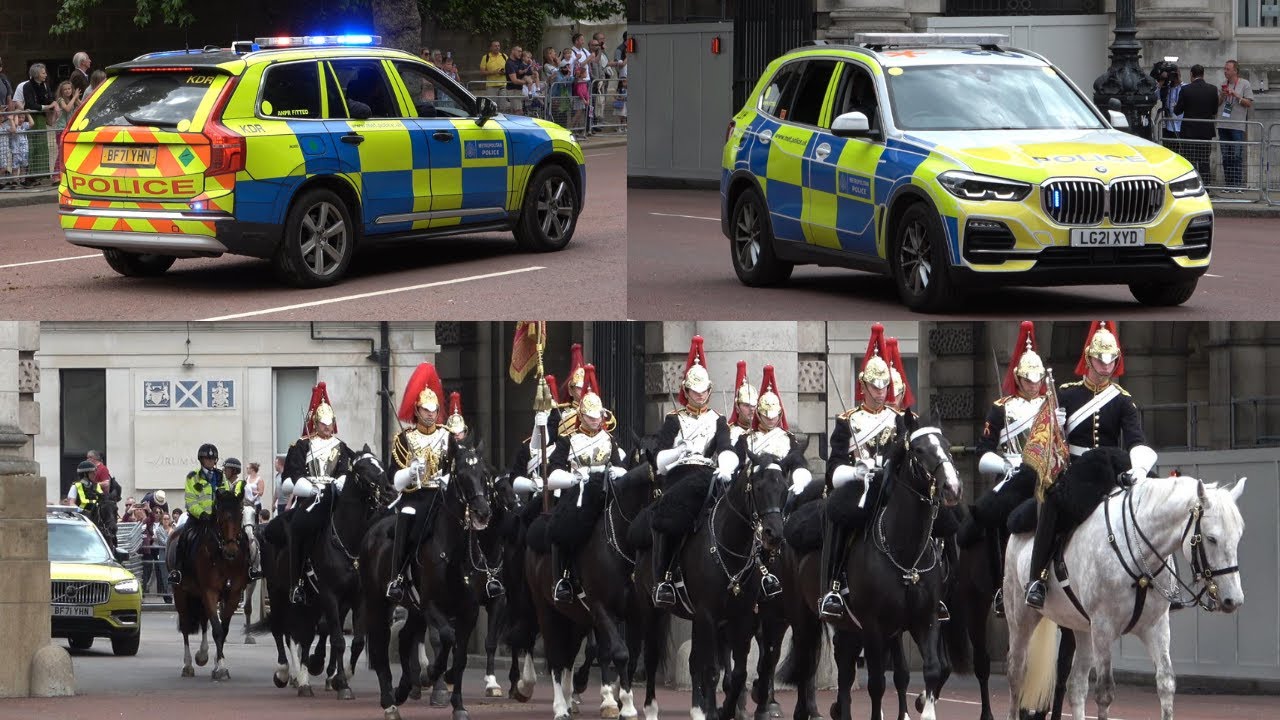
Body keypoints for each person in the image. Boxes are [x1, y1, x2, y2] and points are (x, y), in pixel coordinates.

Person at [1024, 321, 1156, 609]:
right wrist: (1054, 424)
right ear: (1089, 358)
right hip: (1077, 469)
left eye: (1111, 361)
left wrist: (1140, 468)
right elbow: (1046, 439)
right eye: (1101, 360)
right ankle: (1038, 578)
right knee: (1053, 501)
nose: (1106, 367)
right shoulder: (1066, 394)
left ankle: (1163, 579)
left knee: (1157, 503)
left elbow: (1135, 438)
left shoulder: (1122, 400)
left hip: (1110, 469)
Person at [820, 323, 905, 618]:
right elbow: (833, 467)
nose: (880, 392)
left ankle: (938, 585)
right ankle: (833, 585)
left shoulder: (898, 419)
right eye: (875, 387)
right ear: (864, 386)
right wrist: (854, 471)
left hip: (892, 483)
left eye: (884, 387)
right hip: (861, 486)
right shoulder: (847, 420)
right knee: (839, 515)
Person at [651, 335, 734, 607]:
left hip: (710, 477)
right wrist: (679, 451)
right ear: (686, 391)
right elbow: (659, 460)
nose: (700, 395)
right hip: (681, 477)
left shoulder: (718, 420)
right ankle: (665, 577)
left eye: (704, 391)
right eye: (695, 391)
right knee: (672, 518)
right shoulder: (674, 420)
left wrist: (725, 466)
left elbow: (726, 447)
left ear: (709, 390)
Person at [974, 321, 1047, 616]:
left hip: (1043, 476)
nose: (1034, 384)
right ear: (1018, 377)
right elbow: (983, 452)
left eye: (1038, 379)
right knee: (993, 520)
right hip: (1012, 477)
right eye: (1029, 379)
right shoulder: (1001, 408)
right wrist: (1004, 464)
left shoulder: (1051, 405)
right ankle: (1000, 588)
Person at [546, 366, 626, 604]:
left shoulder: (609, 440)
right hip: (578, 494)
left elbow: (621, 467)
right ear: (581, 416)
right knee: (564, 528)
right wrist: (572, 478)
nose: (596, 421)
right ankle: (563, 577)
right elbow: (552, 475)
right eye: (591, 417)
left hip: (605, 491)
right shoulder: (567, 440)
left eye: (598, 416)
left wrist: (618, 471)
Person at [734, 365, 809, 597]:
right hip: (755, 498)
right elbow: (737, 467)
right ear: (759, 414)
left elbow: (798, 462)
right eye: (766, 414)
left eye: (775, 414)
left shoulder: (789, 439)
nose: (771, 419)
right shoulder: (746, 438)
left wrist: (800, 477)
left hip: (782, 496)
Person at [385, 363, 452, 603]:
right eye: (426, 409)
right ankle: (397, 576)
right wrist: (411, 472)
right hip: (416, 496)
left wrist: (447, 477)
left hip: (441, 495)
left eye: (434, 410)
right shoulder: (405, 439)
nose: (431, 414)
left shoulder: (446, 435)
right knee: (407, 516)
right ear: (417, 409)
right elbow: (394, 479)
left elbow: (455, 466)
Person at [283, 383, 356, 603]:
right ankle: (296, 582)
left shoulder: (341, 446)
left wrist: (340, 483)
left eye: (330, 422)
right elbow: (293, 474)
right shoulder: (302, 445)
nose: (327, 427)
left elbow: (345, 470)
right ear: (315, 422)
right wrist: (310, 487)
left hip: (335, 497)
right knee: (298, 528)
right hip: (310, 498)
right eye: (323, 423)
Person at [167, 443, 227, 585]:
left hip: (217, 519)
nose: (210, 462)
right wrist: (202, 514)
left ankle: (244, 570)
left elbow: (225, 495)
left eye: (213, 459)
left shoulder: (220, 476)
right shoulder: (192, 477)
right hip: (198, 519)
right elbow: (191, 500)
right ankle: (177, 571)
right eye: (207, 459)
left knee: (234, 538)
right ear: (201, 460)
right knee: (183, 538)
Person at [1173, 64, 1217, 183]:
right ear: (1203, 74)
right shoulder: (1213, 89)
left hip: (1189, 131)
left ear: (1191, 74)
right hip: (1205, 132)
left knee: (1189, 160)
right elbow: (1214, 111)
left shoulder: (1185, 89)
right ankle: (1207, 186)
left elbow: (1177, 111)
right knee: (1204, 160)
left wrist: (1175, 106)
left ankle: (1191, 184)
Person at [13, 63, 54, 183]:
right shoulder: (27, 86)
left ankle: (42, 174)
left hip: (41, 118)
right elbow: (30, 104)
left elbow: (49, 99)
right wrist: (46, 107)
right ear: (36, 74)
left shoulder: (45, 85)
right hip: (31, 118)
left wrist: (51, 104)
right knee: (31, 146)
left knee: (42, 146)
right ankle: (29, 176)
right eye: (43, 73)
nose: (45, 75)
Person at [1217, 60, 1254, 193]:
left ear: (1235, 71)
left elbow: (1249, 103)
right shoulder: (1222, 84)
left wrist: (1236, 95)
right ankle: (1228, 185)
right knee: (1226, 156)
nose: (1225, 71)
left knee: (1237, 155)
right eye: (1224, 69)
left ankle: (1237, 185)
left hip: (1237, 126)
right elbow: (1217, 104)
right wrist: (1222, 96)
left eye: (1227, 69)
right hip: (1223, 124)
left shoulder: (1244, 84)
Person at [224, 457, 262, 580]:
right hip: (228, 515)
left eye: (227, 469)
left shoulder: (243, 485)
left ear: (234, 471)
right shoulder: (223, 484)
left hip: (241, 513)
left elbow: (249, 502)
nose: (224, 471)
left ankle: (253, 568)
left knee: (249, 535)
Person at [727, 360, 757, 447]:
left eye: (754, 405)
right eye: (746, 405)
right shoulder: (728, 432)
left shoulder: (762, 432)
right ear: (737, 407)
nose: (752, 409)